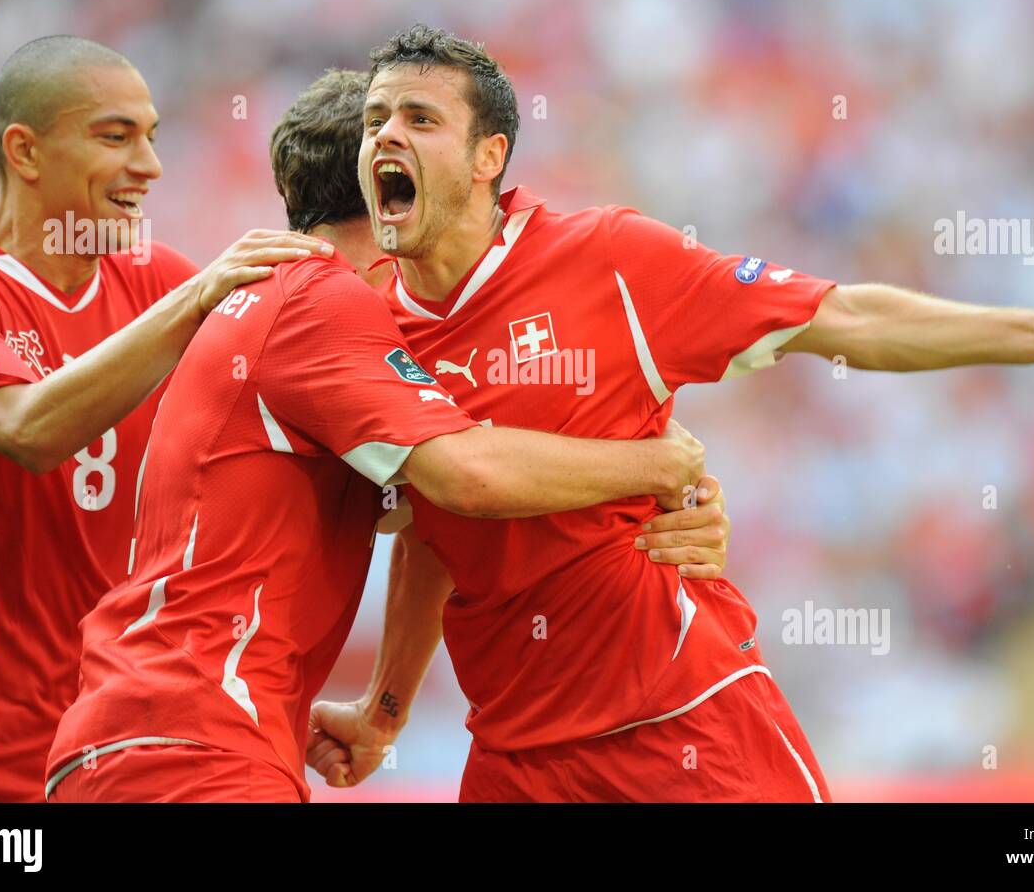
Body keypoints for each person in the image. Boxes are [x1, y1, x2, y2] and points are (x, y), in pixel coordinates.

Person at [299, 25, 1034, 802]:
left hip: (685, 725)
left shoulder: (608, 260)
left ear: (488, 158)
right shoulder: (371, 327)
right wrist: (387, 707)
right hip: (518, 760)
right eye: (378, 119)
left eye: (419, 118)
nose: (387, 136)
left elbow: (844, 320)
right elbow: (433, 524)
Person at [43, 218, 710, 803]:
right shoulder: (325, 299)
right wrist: (655, 466)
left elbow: (430, 512)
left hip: (123, 732)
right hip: (199, 744)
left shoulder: (263, 310)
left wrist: (384, 709)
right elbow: (466, 477)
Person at [0, 35, 324, 803]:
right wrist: (194, 302)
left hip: (101, 757)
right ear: (25, 151)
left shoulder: (157, 281)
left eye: (152, 138)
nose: (149, 167)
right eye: (115, 136)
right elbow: (28, 431)